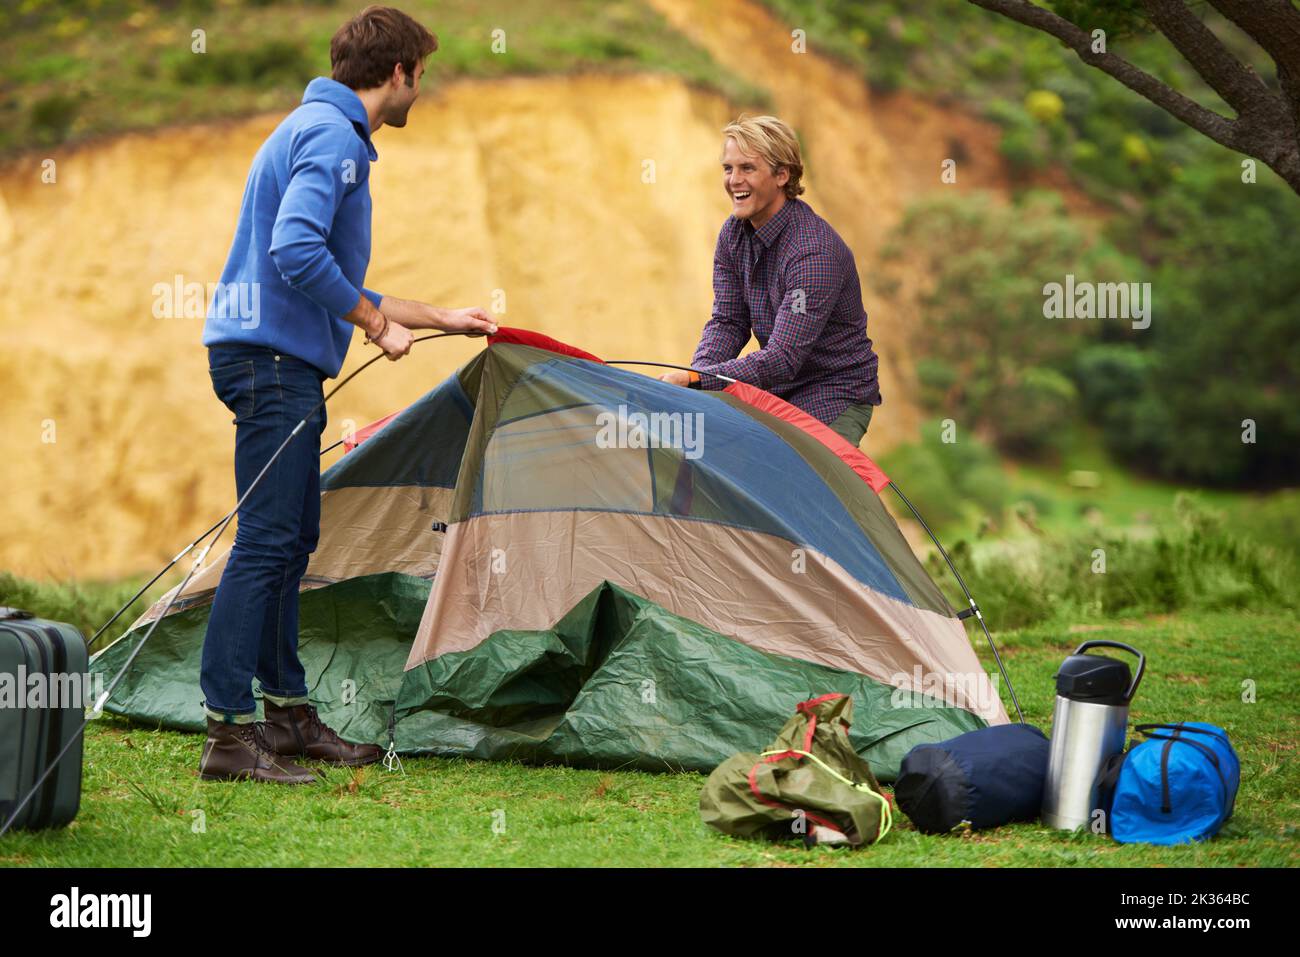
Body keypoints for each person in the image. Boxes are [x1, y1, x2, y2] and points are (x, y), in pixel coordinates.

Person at [198, 6, 496, 783]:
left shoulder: (316, 127)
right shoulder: (335, 140)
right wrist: (370, 321)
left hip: (269, 358)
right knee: (266, 543)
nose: (418, 93)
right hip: (272, 365)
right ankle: (229, 736)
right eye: (419, 77)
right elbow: (294, 248)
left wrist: (441, 319)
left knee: (290, 542)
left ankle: (287, 716)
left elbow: (327, 271)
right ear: (396, 72)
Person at [660, 115, 880, 447]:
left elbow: (782, 358)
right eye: (728, 168)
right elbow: (729, 321)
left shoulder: (812, 253)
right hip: (779, 385)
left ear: (782, 175)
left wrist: (698, 380)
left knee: (793, 486)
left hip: (835, 391)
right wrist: (698, 382)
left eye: (747, 168)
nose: (734, 180)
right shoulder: (733, 234)